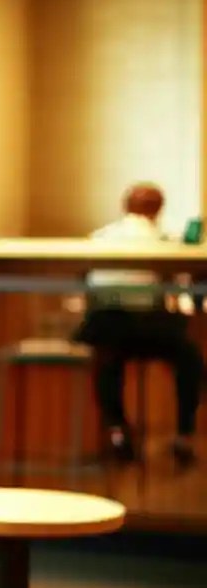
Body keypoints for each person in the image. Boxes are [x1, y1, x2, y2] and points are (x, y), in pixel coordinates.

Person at [73, 182, 201, 467]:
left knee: (107, 361)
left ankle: (117, 430)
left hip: (106, 326)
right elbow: (176, 283)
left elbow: (85, 285)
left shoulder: (101, 237)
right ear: (158, 211)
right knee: (189, 358)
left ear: (125, 206)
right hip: (149, 328)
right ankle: (184, 434)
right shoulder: (164, 240)